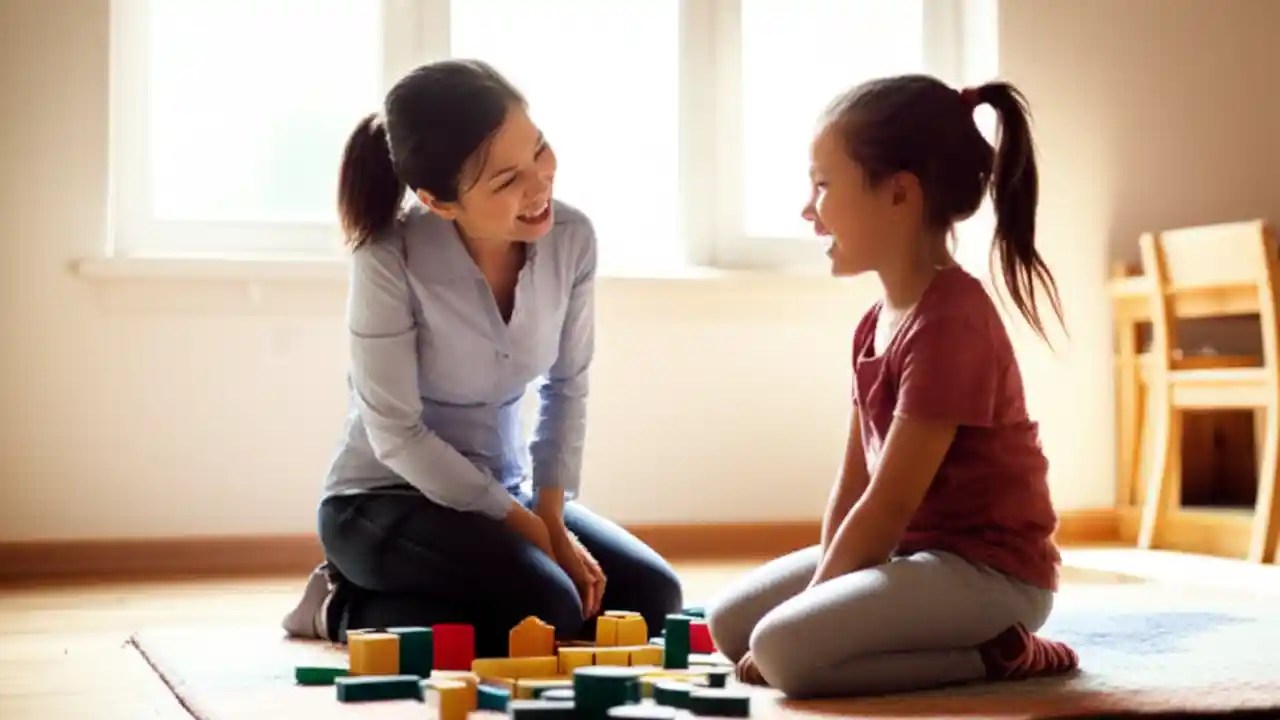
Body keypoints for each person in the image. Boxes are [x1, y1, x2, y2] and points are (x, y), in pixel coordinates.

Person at [281, 59, 682, 656]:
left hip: (503, 491)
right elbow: (396, 433)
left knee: (652, 598)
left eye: (539, 150)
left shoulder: (573, 238)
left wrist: (549, 513)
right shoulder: (388, 257)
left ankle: (483, 590)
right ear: (440, 202)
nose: (540, 184)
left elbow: (567, 386)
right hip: (383, 501)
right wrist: (532, 533)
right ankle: (342, 602)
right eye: (505, 181)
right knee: (544, 606)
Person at [705, 75, 1079, 698]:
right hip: (913, 554)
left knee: (782, 652)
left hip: (992, 575)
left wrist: (812, 611)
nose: (807, 209)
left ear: (899, 195)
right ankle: (826, 635)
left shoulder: (952, 322)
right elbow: (854, 484)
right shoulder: (873, 324)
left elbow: (888, 504)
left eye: (823, 186)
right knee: (730, 624)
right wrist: (826, 588)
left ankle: (1001, 653)